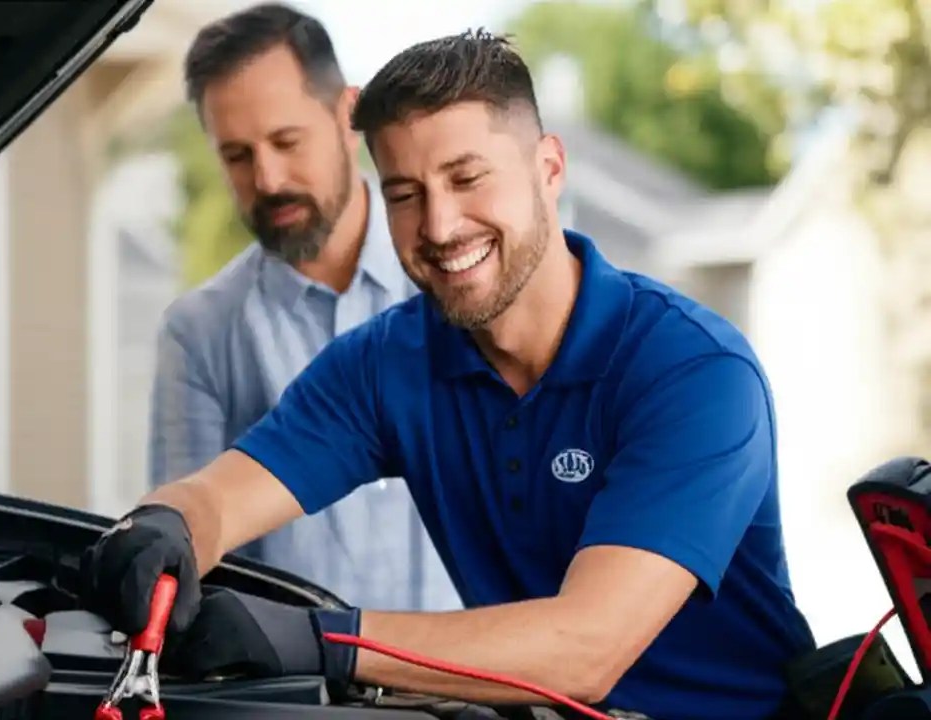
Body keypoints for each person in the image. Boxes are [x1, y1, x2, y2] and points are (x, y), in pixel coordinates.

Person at [87, 29, 817, 720]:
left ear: (549, 169)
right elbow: (222, 498)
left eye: (467, 179)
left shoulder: (690, 372)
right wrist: (166, 526)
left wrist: (323, 641)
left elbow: (585, 648)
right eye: (405, 195)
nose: (438, 226)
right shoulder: (386, 364)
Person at [146, 3, 461, 612]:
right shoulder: (199, 334)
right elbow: (190, 562)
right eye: (237, 155)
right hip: (302, 697)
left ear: (349, 114)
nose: (266, 178)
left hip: (476, 689)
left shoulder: (461, 281)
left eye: (286, 141)